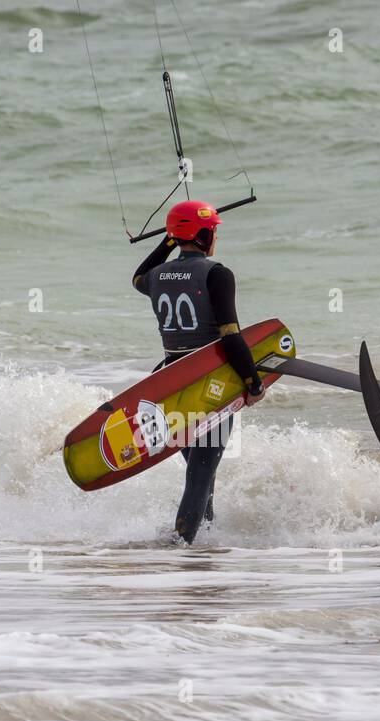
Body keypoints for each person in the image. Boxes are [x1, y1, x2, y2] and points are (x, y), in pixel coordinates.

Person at [132, 199, 264, 543]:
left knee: (200, 472)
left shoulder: (155, 277)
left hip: (170, 384)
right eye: (213, 230)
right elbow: (231, 337)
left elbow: (137, 277)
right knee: (201, 475)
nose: (216, 236)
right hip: (210, 387)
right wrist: (252, 382)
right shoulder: (218, 274)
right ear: (204, 234)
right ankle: (181, 552)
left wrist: (169, 239)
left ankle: (201, 543)